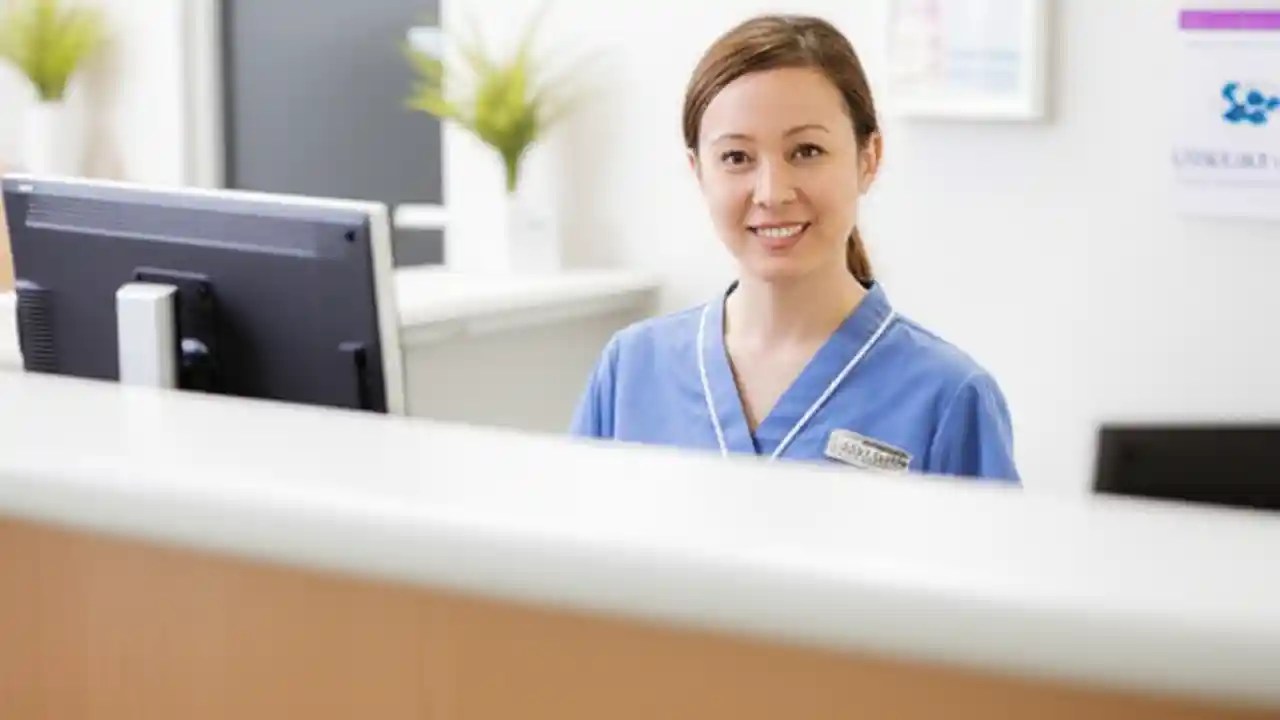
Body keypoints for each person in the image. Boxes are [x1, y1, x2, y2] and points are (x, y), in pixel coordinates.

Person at [570, 14, 1019, 483]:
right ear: (698, 170)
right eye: (736, 158)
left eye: (806, 151)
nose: (771, 192)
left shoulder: (948, 397)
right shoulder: (631, 371)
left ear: (870, 159)